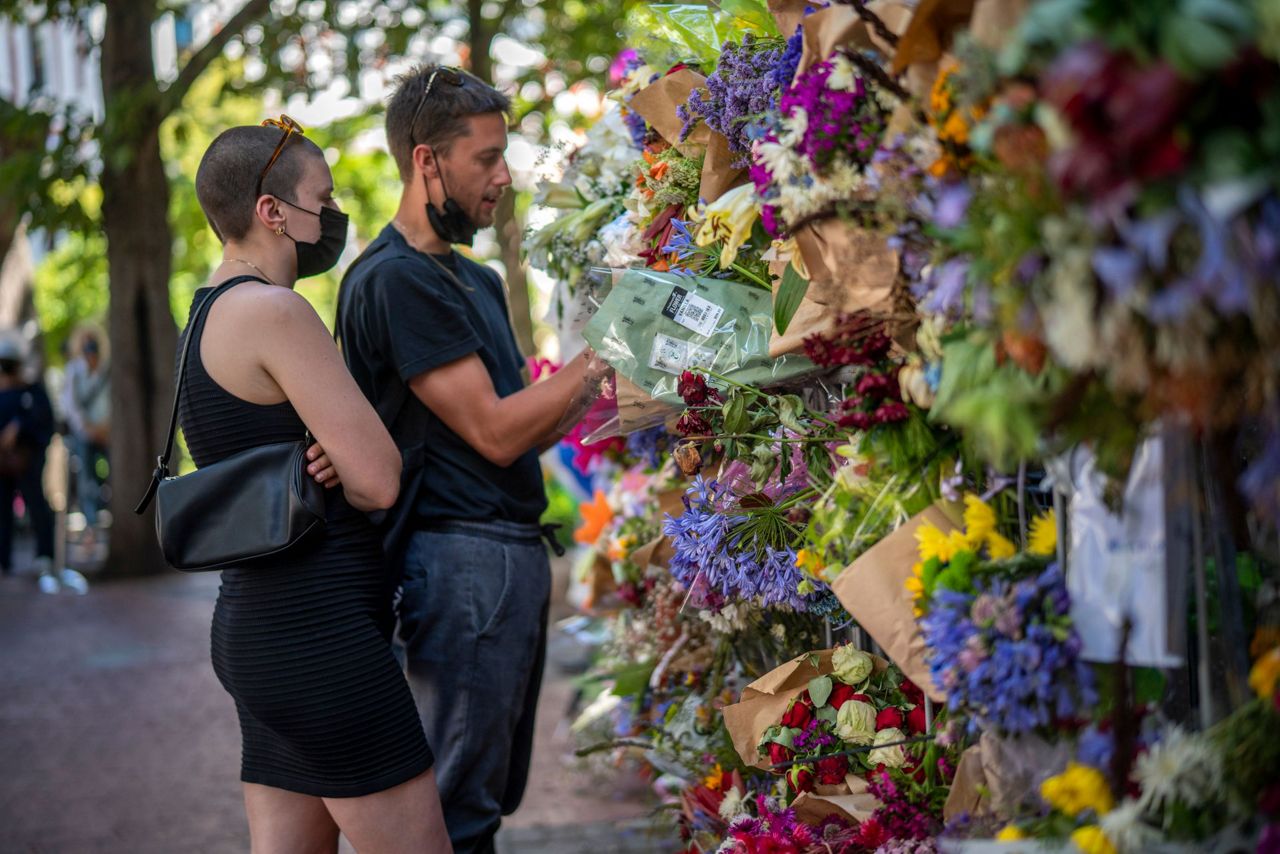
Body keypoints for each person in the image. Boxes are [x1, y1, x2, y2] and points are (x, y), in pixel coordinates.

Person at [337, 66, 606, 854]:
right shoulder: (394, 280)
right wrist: (602, 355)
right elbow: (492, 430)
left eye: (504, 154)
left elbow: (524, 427)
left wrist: (609, 388)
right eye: (485, 158)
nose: (504, 176)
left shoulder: (480, 281)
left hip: (503, 558)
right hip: (457, 562)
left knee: (484, 794)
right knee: (456, 812)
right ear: (427, 162)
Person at [186, 116, 451, 853]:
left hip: (255, 632)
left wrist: (331, 447)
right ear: (272, 211)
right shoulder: (277, 312)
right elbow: (378, 481)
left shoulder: (203, 317)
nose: (332, 215)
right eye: (322, 198)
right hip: (320, 641)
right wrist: (351, 450)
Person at [0, 334, 58, 592]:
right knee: (2, 509)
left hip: (28, 460)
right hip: (2, 463)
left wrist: (19, 427)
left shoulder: (31, 391)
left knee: (36, 505)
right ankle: (4, 559)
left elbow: (44, 420)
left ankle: (44, 555)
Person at [62, 329, 110, 543]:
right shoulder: (74, 371)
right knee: (85, 479)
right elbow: (70, 406)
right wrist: (88, 428)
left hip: (107, 432)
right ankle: (91, 524)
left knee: (111, 474)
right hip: (85, 433)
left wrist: (105, 428)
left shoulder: (107, 370)